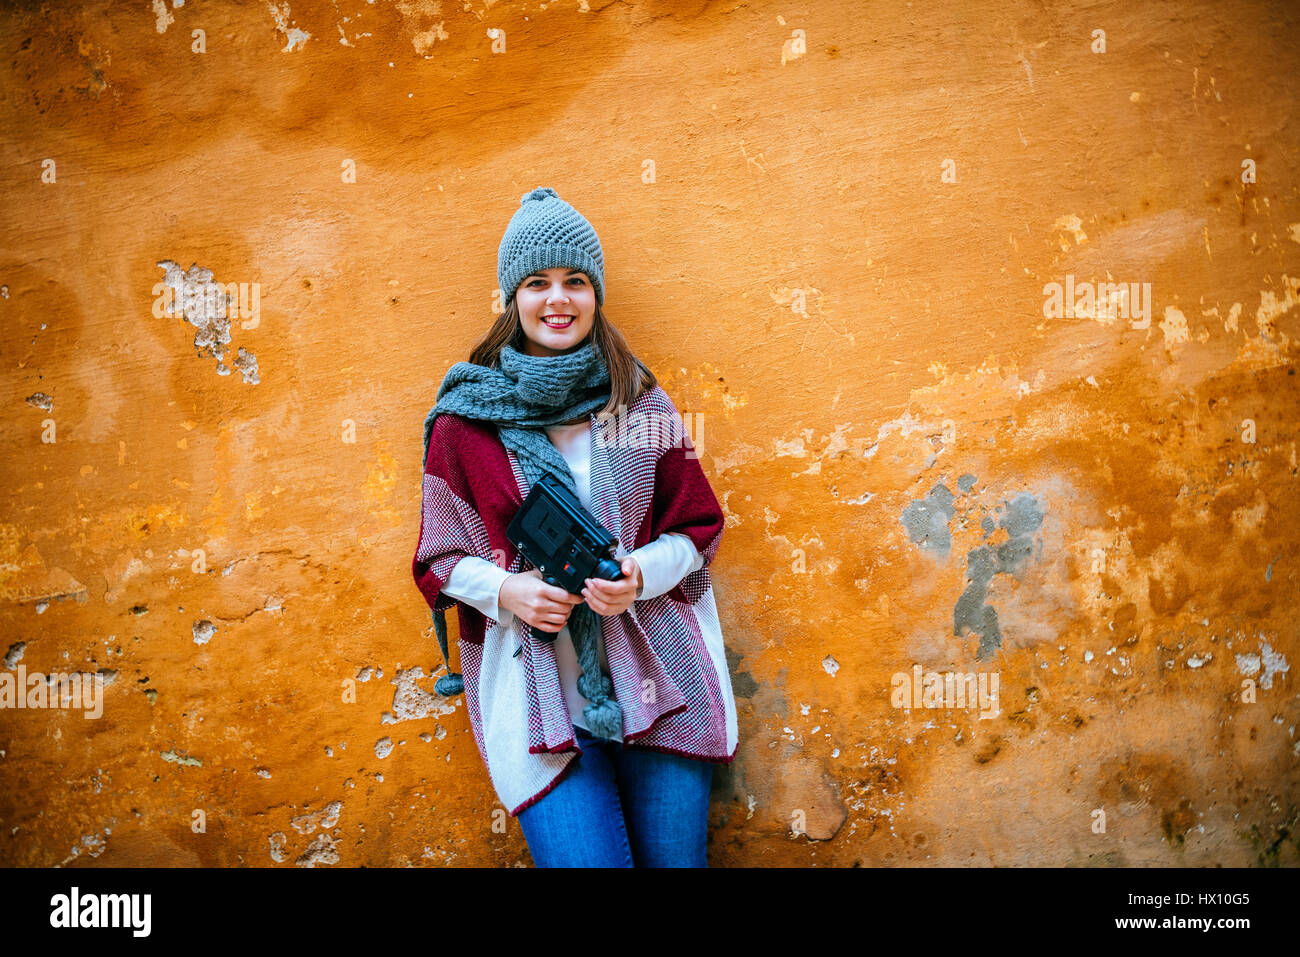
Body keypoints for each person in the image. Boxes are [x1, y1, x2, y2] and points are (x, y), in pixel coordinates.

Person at [412, 186, 738, 867]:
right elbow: (438, 557)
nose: (557, 299)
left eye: (575, 281)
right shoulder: (464, 422)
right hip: (539, 698)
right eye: (538, 282)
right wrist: (509, 593)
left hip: (662, 683)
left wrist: (640, 573)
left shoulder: (637, 400)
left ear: (595, 293)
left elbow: (698, 526)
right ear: (514, 296)